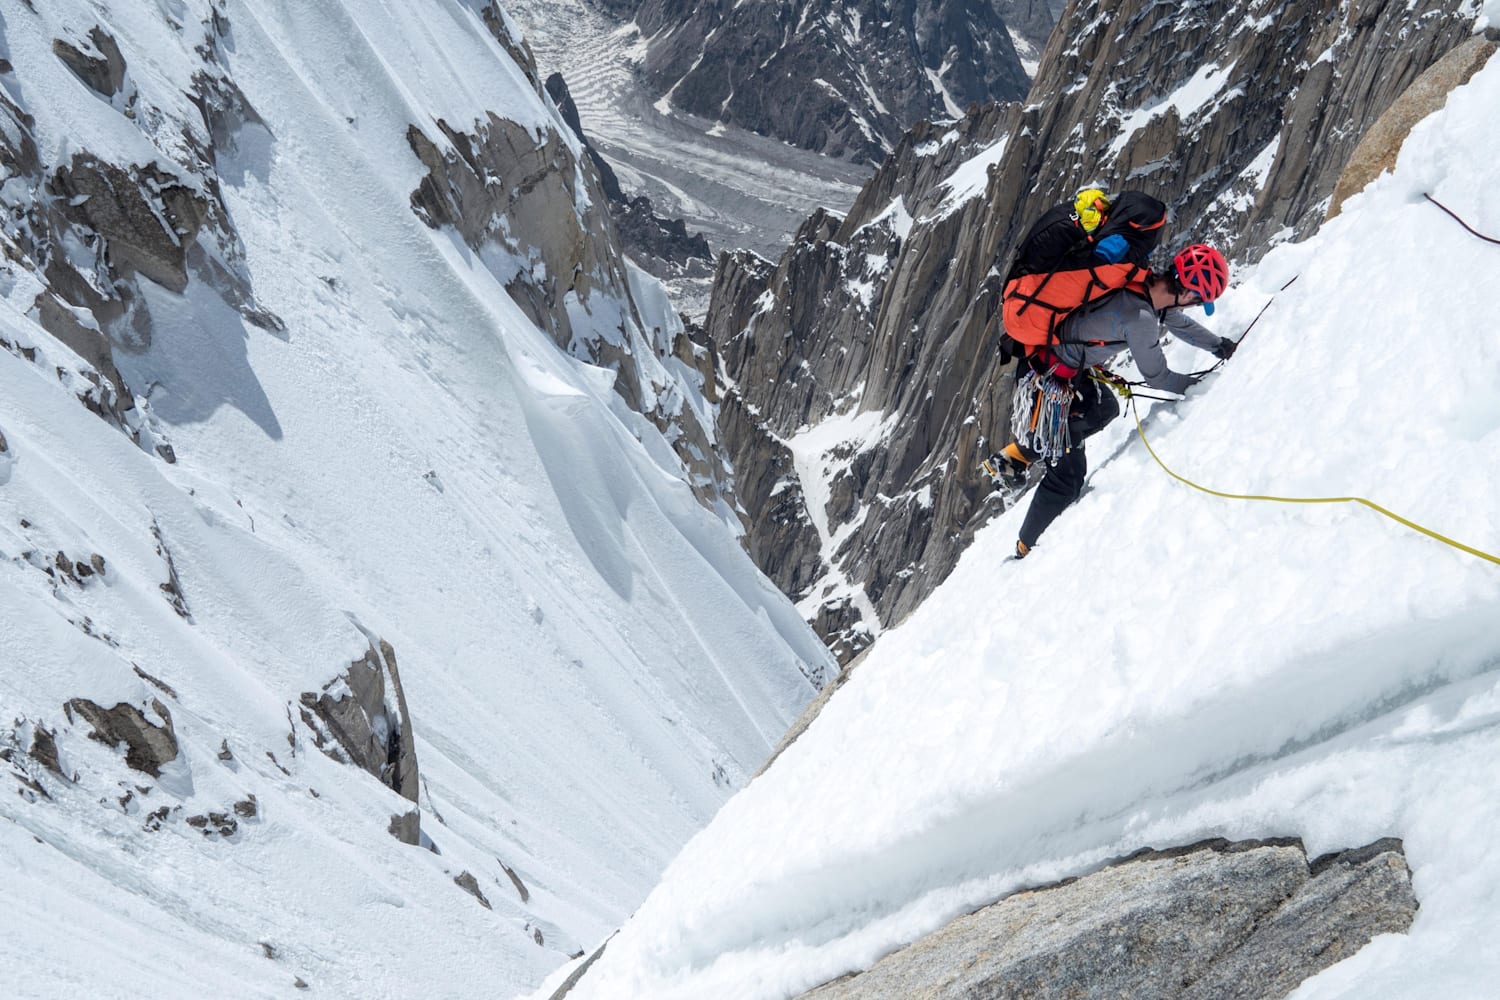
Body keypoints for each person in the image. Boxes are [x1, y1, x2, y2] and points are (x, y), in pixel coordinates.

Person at [985, 244, 1236, 559]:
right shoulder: (1141, 317)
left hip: (1063, 368)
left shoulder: (1143, 282)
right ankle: (1024, 549)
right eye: (1198, 301)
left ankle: (1019, 454)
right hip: (1049, 380)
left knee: (1104, 408)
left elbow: (1176, 323)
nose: (1193, 307)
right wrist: (1200, 386)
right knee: (1067, 478)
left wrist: (1219, 346)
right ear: (1187, 294)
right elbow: (1158, 376)